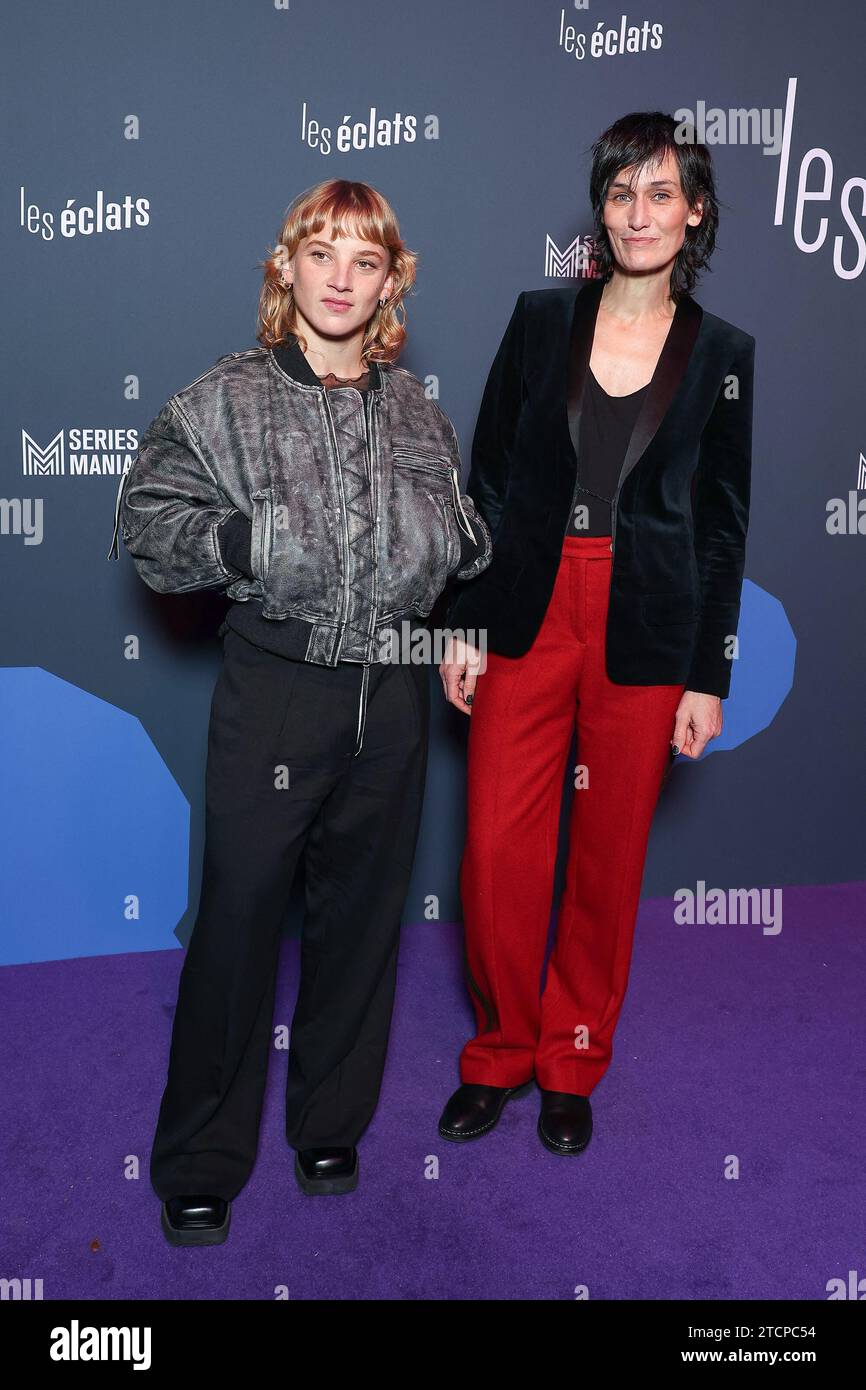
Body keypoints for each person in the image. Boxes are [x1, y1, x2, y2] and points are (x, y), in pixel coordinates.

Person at [108, 179, 491, 1243]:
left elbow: (459, 537)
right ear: (285, 266)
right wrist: (241, 543)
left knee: (362, 926)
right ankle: (200, 1156)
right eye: (320, 253)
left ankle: (330, 1121)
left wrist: (458, 624)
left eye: (362, 261)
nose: (339, 277)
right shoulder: (223, 399)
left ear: (389, 281)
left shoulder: (416, 406)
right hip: (276, 691)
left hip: (396, 694)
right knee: (235, 929)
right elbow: (148, 523)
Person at [438, 111, 755, 1157]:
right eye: (621, 192)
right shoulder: (537, 320)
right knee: (493, 850)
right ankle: (497, 1050)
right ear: (601, 208)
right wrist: (463, 624)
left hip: (644, 622)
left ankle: (571, 1057)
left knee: (607, 858)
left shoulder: (723, 354)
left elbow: (719, 525)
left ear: (692, 212)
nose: (637, 212)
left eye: (660, 193)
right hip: (528, 606)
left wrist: (706, 674)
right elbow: (482, 480)